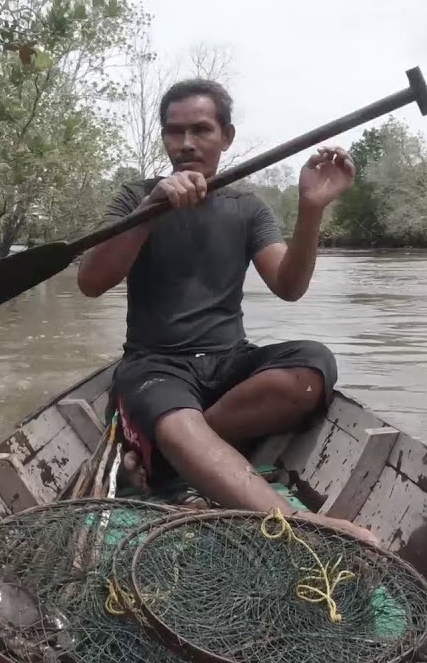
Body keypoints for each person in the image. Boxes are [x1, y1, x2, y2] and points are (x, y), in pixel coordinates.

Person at [77, 78, 376, 545]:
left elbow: (289, 286)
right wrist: (152, 208)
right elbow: (91, 283)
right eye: (175, 132)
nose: (188, 144)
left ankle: (167, 454)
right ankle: (302, 526)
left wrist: (310, 209)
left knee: (312, 365)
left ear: (227, 137)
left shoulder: (246, 207)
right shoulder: (134, 198)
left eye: (201, 130)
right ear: (164, 139)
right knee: (177, 419)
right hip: (155, 365)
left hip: (227, 362)